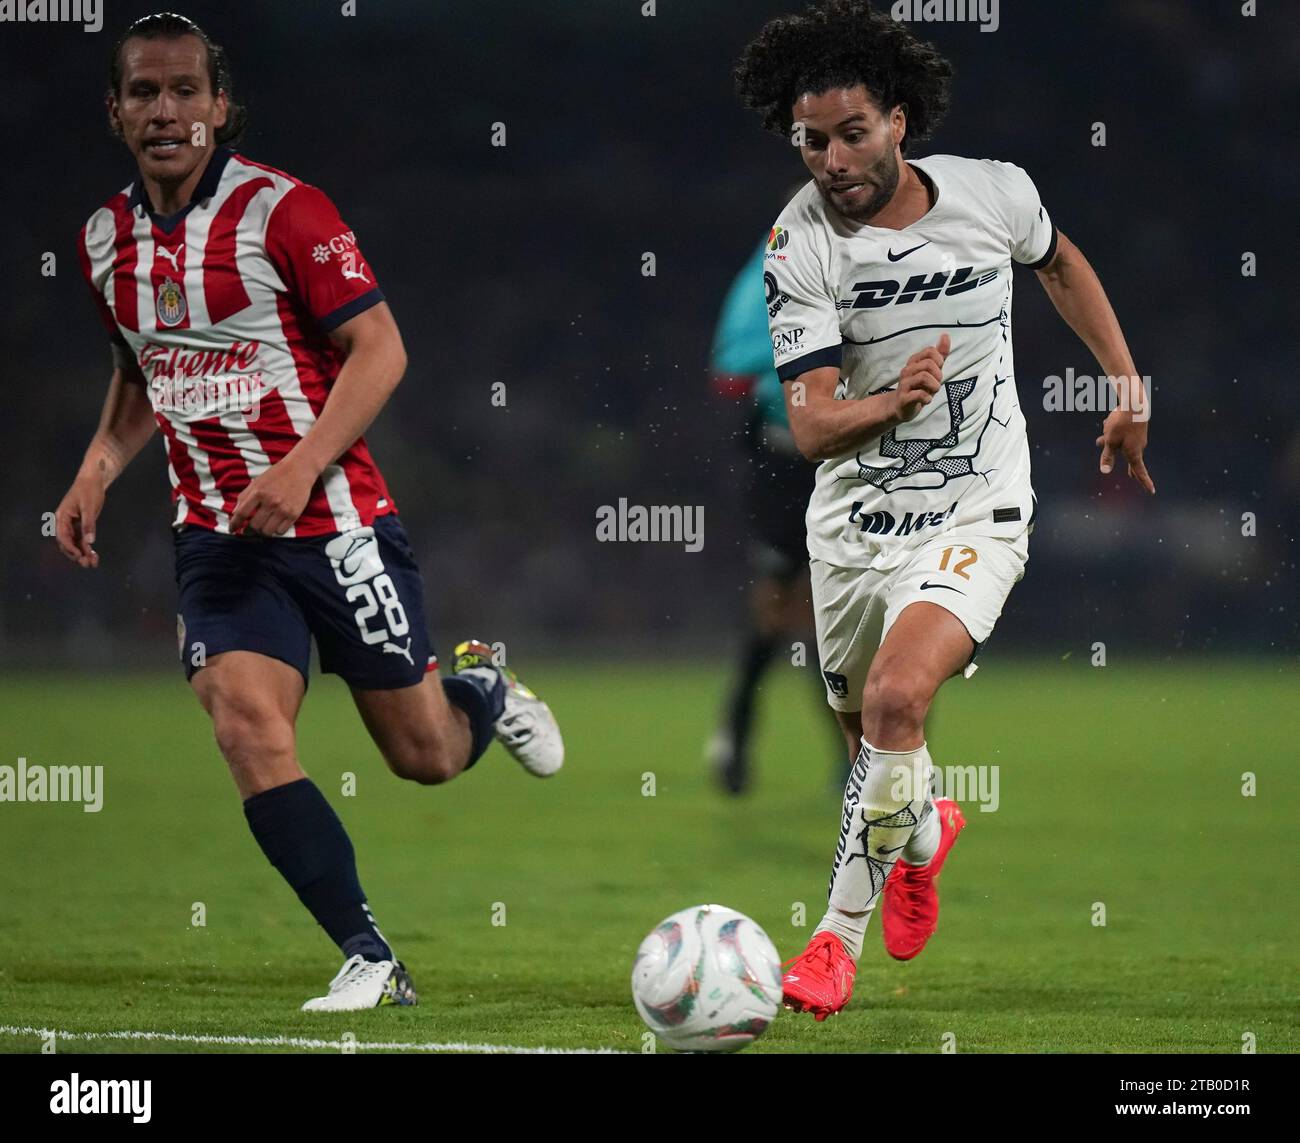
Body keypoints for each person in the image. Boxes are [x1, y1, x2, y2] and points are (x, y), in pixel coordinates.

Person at [55, 12, 563, 1013]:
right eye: (144, 93)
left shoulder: (286, 214)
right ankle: (370, 954)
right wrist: (98, 468)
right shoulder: (101, 241)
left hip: (339, 526)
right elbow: (139, 369)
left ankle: (485, 692)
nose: (166, 110)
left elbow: (380, 350)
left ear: (220, 106)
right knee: (244, 725)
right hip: (219, 543)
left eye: (185, 91)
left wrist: (298, 469)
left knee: (422, 756)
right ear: (115, 111)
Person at [734, 0, 1153, 1020]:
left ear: (899, 121)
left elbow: (1059, 263)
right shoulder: (798, 245)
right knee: (873, 746)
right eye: (811, 139)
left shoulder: (993, 194)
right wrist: (893, 400)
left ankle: (833, 942)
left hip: (977, 509)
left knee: (892, 705)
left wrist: (1124, 383)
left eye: (850, 132)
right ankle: (923, 834)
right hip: (851, 527)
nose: (830, 158)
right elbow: (812, 428)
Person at [706, 212, 845, 795]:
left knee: (850, 608)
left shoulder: (885, 259)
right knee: (787, 608)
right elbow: (729, 373)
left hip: (861, 456)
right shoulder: (770, 269)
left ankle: (870, 758)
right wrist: (797, 363)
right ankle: (737, 737)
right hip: (788, 462)